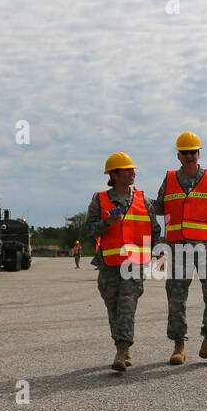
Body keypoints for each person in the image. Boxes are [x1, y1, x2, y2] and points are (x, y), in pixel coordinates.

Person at [153, 131, 207, 365]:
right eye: (185, 152)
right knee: (176, 298)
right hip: (177, 248)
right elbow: (159, 207)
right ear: (178, 156)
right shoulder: (169, 179)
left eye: (193, 152)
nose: (189, 155)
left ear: (199, 153)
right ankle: (179, 346)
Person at [86, 152, 158, 372]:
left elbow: (154, 230)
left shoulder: (143, 200)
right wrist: (106, 222)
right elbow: (89, 231)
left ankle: (122, 350)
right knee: (114, 308)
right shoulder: (100, 200)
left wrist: (159, 253)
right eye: (127, 170)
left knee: (127, 306)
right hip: (109, 263)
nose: (133, 173)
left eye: (133, 169)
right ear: (114, 175)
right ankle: (122, 347)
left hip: (135, 264)